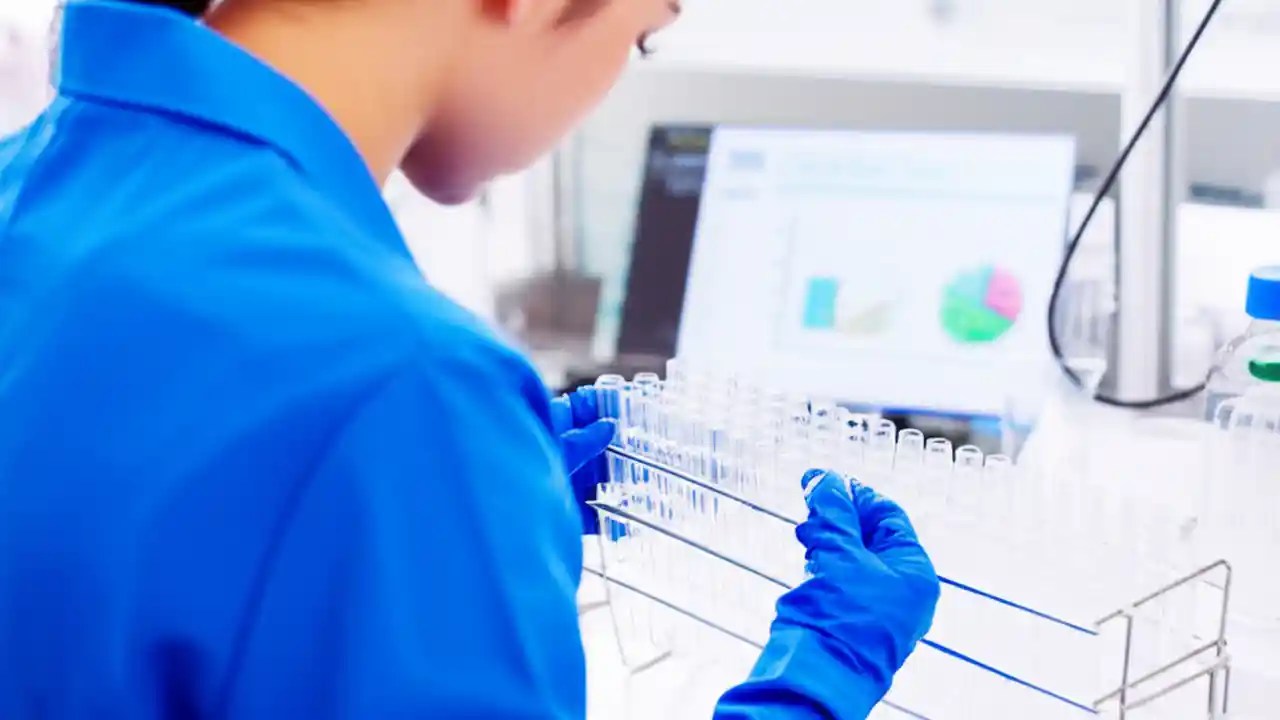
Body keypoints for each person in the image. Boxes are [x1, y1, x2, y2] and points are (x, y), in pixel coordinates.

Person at [0, 0, 940, 718]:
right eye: (642, 37)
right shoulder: (405, 387)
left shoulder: (30, 184)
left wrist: (446, 511)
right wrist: (815, 680)